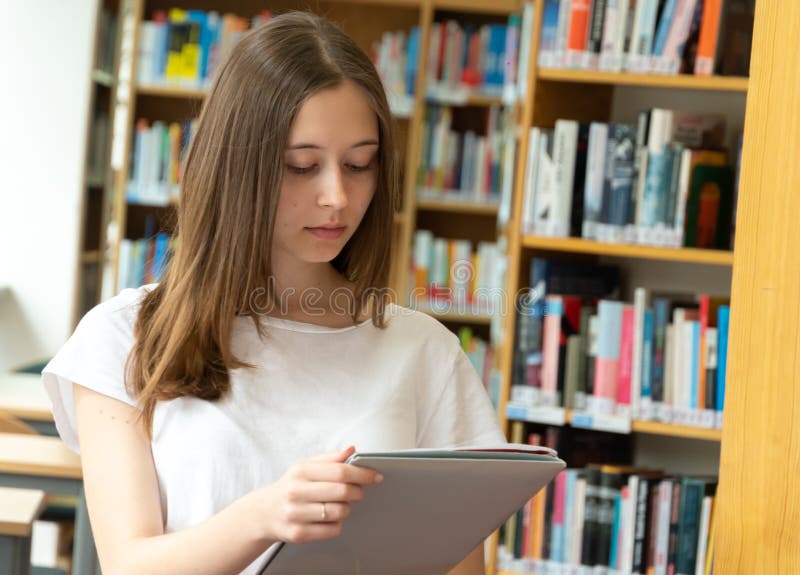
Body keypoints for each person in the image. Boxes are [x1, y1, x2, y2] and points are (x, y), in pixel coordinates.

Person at [42, 11, 505, 575]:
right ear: (238, 168)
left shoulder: (424, 352)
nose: (337, 195)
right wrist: (263, 517)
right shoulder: (123, 337)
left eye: (360, 164)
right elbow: (128, 565)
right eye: (301, 166)